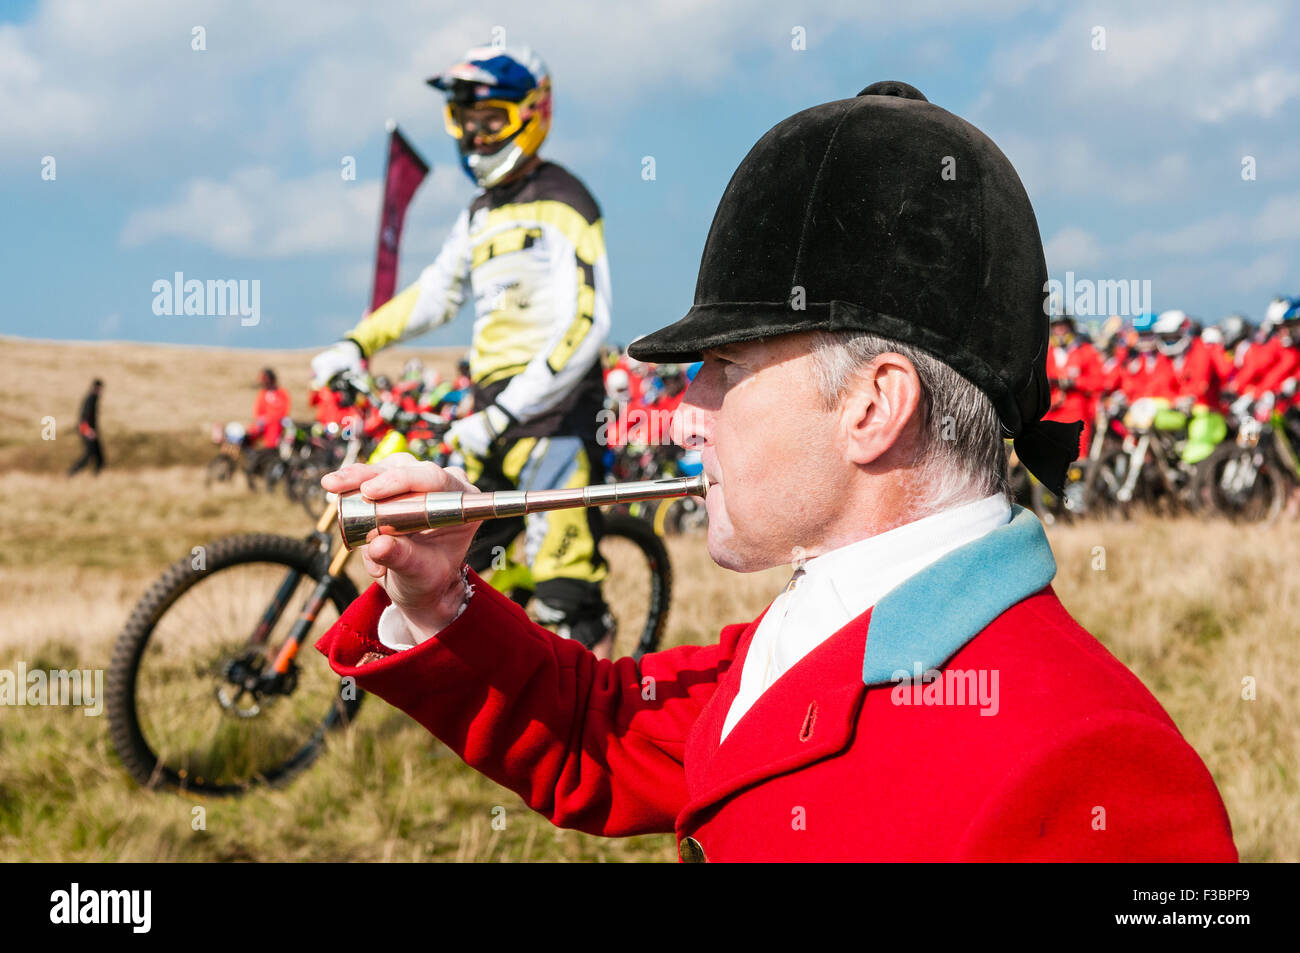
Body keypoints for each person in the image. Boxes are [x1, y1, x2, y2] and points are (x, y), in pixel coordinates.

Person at [315, 81, 1237, 861]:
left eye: (727, 369)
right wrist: (441, 599)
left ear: (872, 408)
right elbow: (604, 729)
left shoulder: (1094, 768)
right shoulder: (809, 624)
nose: (687, 410)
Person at [310, 43, 617, 657]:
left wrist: (507, 414)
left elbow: (588, 322)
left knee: (565, 591)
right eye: (464, 123)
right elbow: (433, 295)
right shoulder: (478, 214)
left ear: (532, 114)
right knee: (466, 572)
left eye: (491, 122)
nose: (476, 138)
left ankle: (597, 719)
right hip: (485, 411)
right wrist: (356, 340)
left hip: (552, 413)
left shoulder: (565, 198)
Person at [1043, 313, 1103, 459]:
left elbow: (1099, 381)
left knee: (1076, 459)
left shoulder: (1086, 351)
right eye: (1056, 327)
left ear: (1071, 327)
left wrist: (1074, 382)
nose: (1060, 331)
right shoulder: (1045, 352)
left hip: (1076, 412)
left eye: (1063, 327)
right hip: (1048, 412)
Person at [68, 378, 105, 476]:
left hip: (89, 431)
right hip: (87, 431)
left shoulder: (93, 398)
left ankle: (94, 477)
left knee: (99, 458)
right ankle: (71, 473)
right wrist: (88, 431)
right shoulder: (91, 398)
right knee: (90, 455)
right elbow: (84, 416)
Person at [248, 368, 290, 449]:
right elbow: (258, 411)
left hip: (277, 422)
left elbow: (284, 410)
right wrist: (262, 419)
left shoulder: (282, 393)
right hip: (264, 422)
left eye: (265, 379)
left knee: (273, 426)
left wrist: (271, 418)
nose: (264, 382)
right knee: (252, 431)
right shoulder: (262, 394)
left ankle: (270, 450)